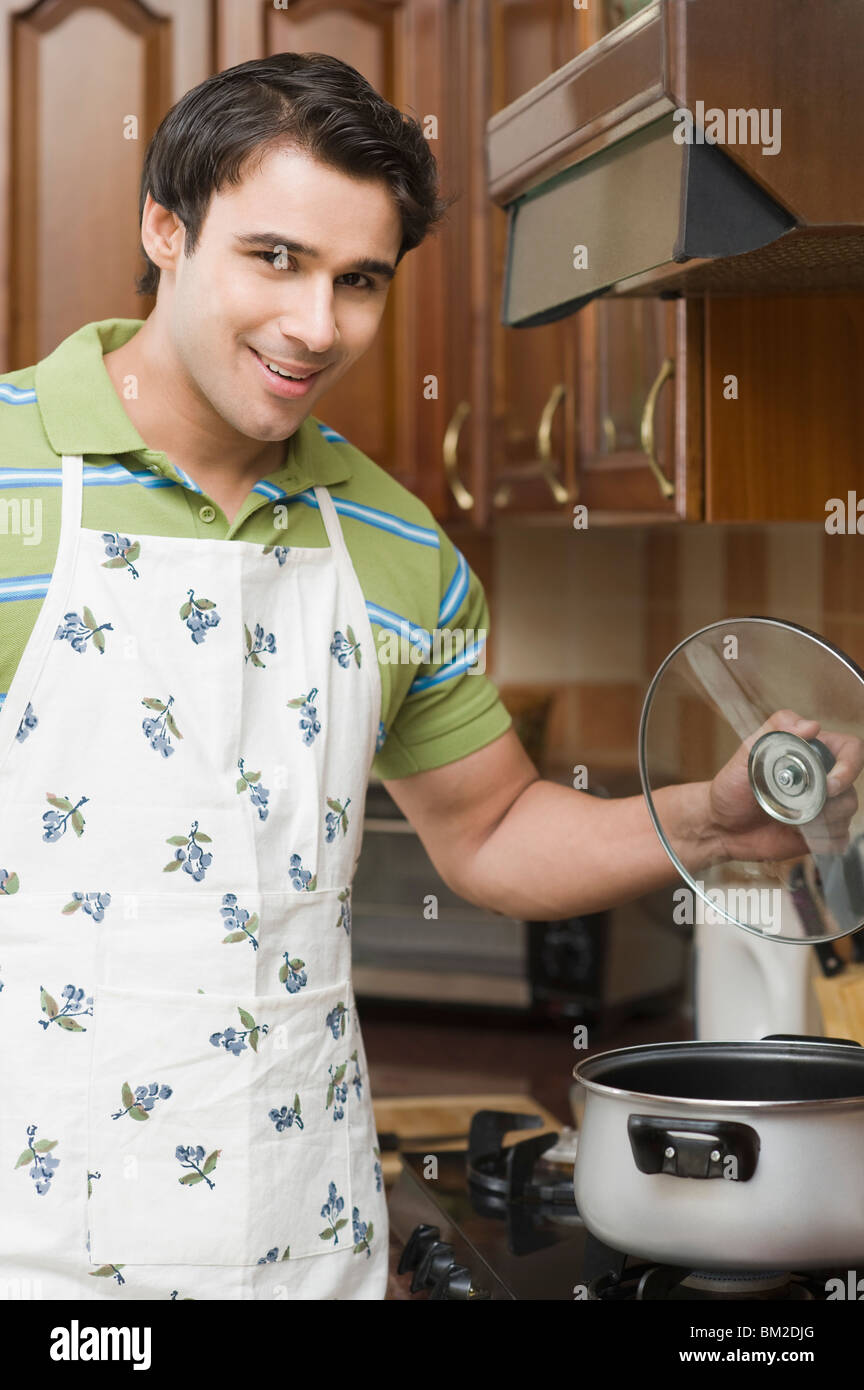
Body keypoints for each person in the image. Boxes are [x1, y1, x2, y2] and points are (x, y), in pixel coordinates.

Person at [0, 52, 859, 1303]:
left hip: (302, 1234)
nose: (315, 326)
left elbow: (494, 828)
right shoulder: (15, 478)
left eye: (360, 281)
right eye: (275, 258)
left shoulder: (396, 544)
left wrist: (711, 817)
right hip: (33, 1249)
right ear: (164, 227)